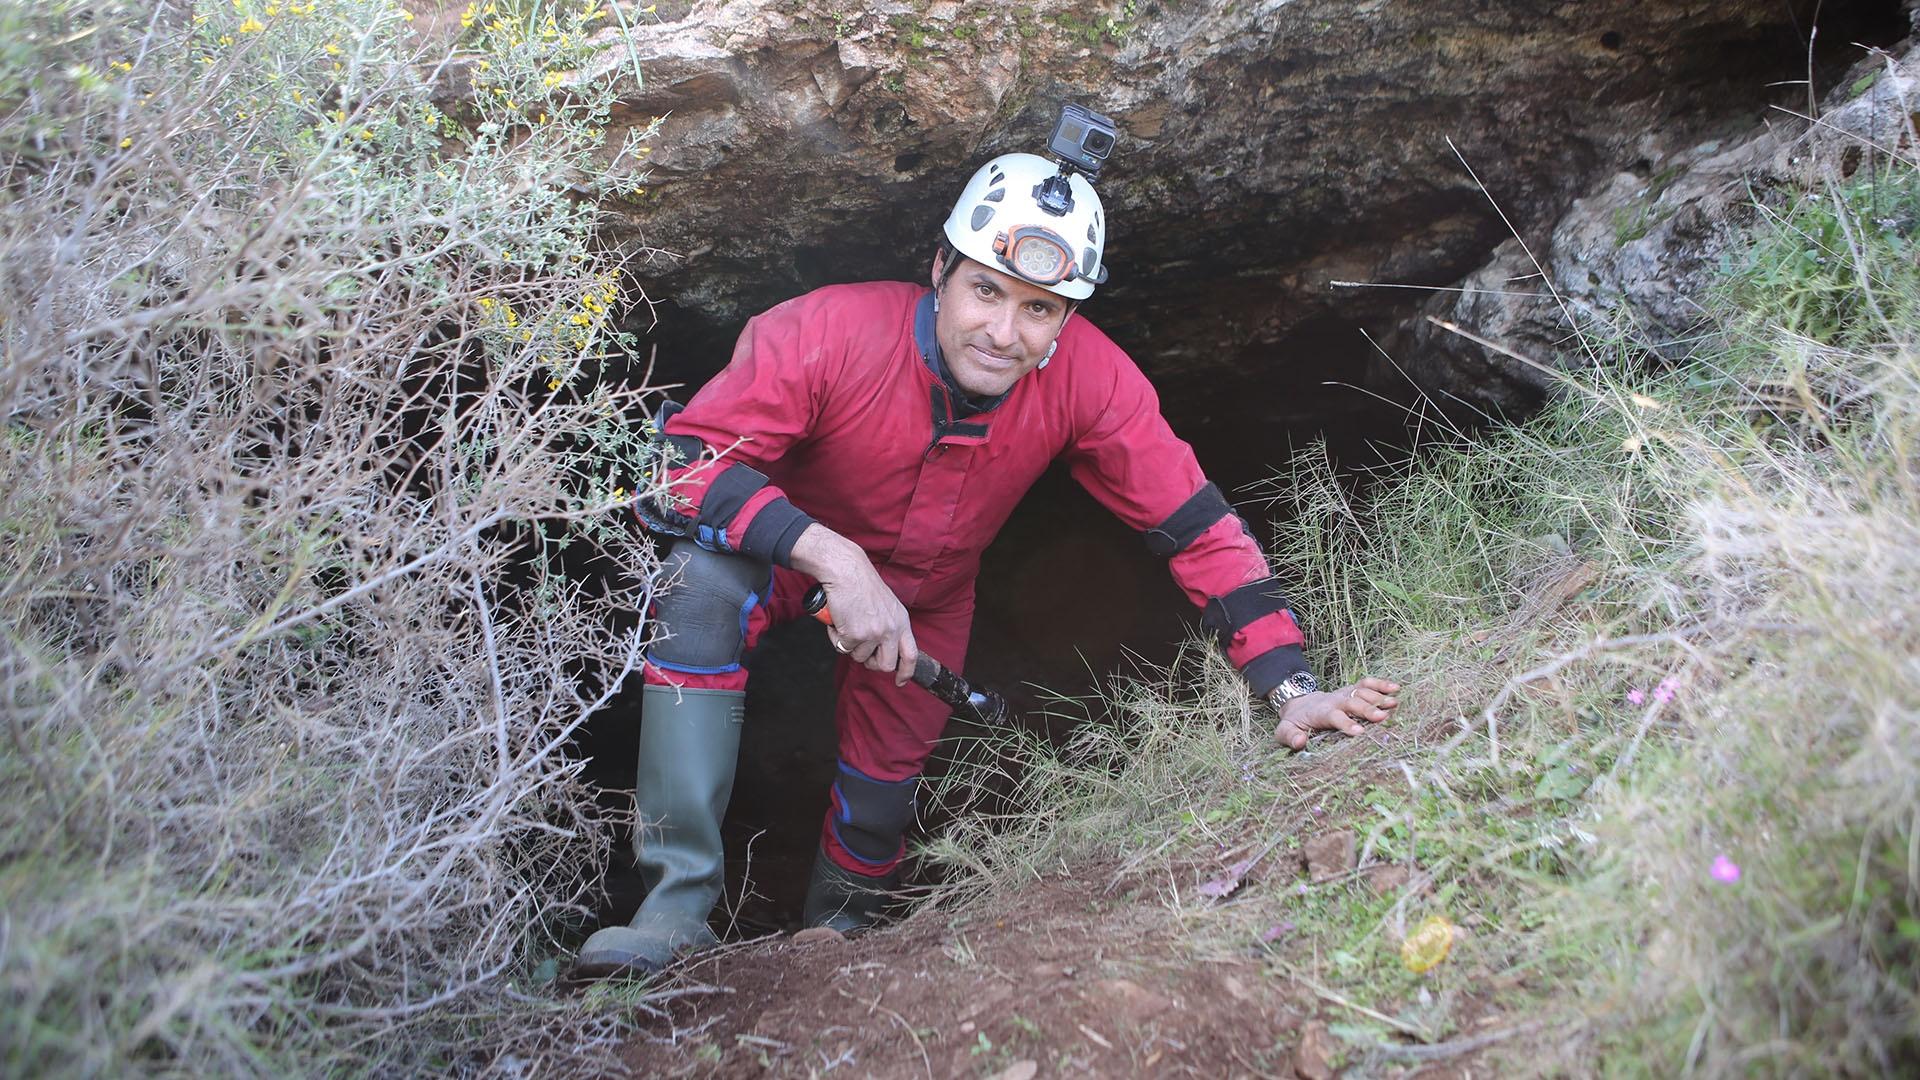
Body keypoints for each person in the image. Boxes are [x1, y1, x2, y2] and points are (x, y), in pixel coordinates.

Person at [573, 152, 1401, 979]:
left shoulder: (1091, 379)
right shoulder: (825, 332)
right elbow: (676, 471)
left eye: (1041, 309)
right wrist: (833, 557)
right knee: (696, 588)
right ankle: (674, 912)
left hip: (931, 604)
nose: (1005, 334)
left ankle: (837, 959)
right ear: (940, 270)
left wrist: (1292, 689)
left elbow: (1197, 528)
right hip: (789, 558)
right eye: (985, 291)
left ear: (1066, 318)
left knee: (879, 798)